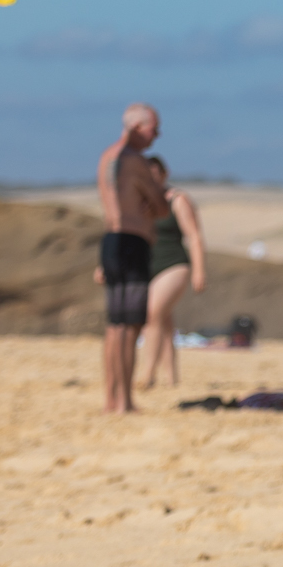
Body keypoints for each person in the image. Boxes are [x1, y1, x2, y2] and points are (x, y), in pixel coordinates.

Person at [95, 103, 168, 415]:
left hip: (111, 241)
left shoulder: (107, 157)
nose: (157, 137)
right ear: (138, 127)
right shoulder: (134, 161)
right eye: (154, 129)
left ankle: (111, 398)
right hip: (131, 241)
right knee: (129, 326)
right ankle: (124, 401)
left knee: (114, 326)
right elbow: (161, 206)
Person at [137, 156, 206, 391]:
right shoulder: (141, 203)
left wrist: (199, 271)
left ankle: (147, 374)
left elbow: (194, 235)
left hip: (174, 263)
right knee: (164, 320)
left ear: (164, 174)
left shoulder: (177, 200)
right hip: (148, 265)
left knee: (151, 315)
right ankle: (171, 377)